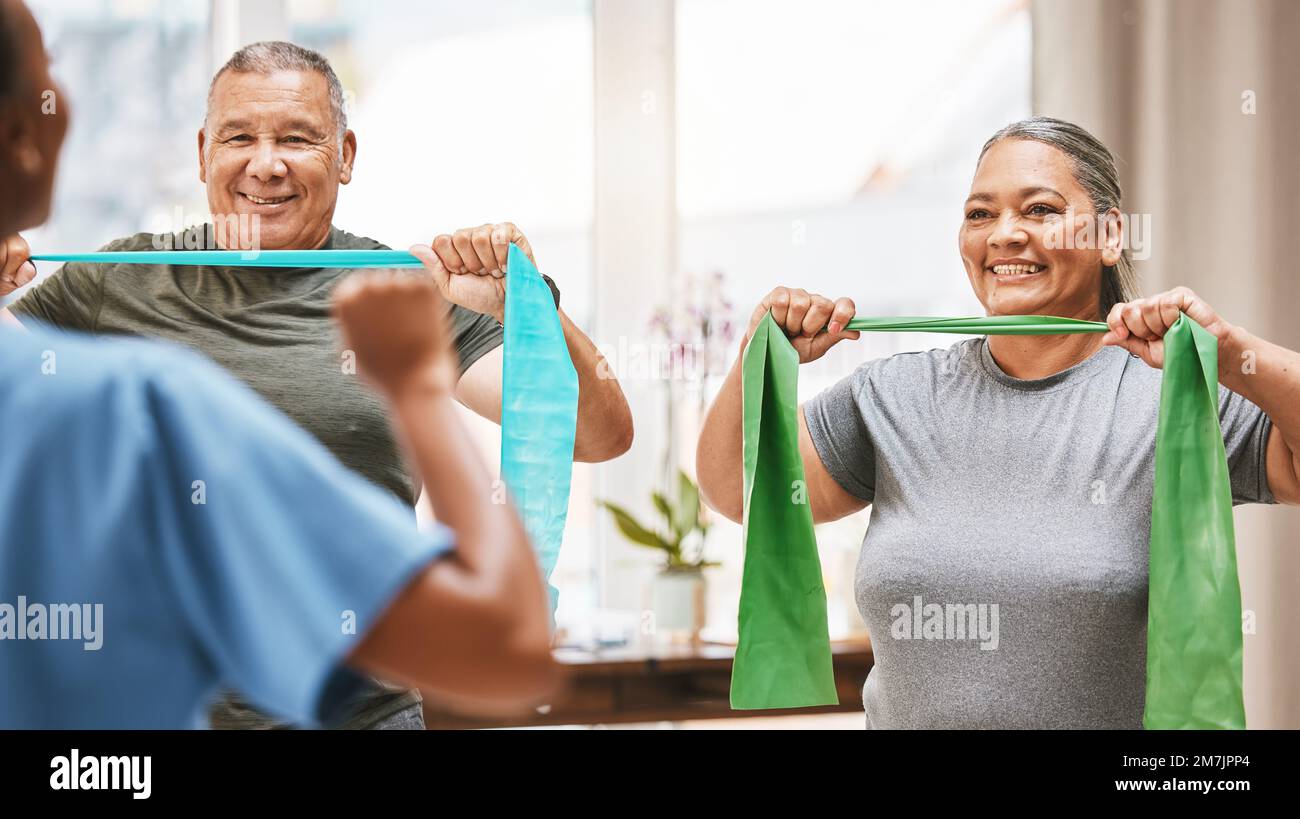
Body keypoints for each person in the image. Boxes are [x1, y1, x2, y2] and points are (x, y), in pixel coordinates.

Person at [0, 37, 631, 730]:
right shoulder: (115, 280)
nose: (265, 164)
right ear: (203, 153)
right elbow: (24, 404)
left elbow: (598, 434)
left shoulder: (408, 288)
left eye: (297, 139)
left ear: (346, 156)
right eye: (239, 136)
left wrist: (530, 304)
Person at [696, 116, 1300, 729]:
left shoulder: (1178, 403)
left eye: (1039, 210)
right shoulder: (893, 396)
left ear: (1111, 233)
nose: (1004, 235)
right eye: (980, 214)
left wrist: (1234, 355)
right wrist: (756, 355)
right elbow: (732, 489)